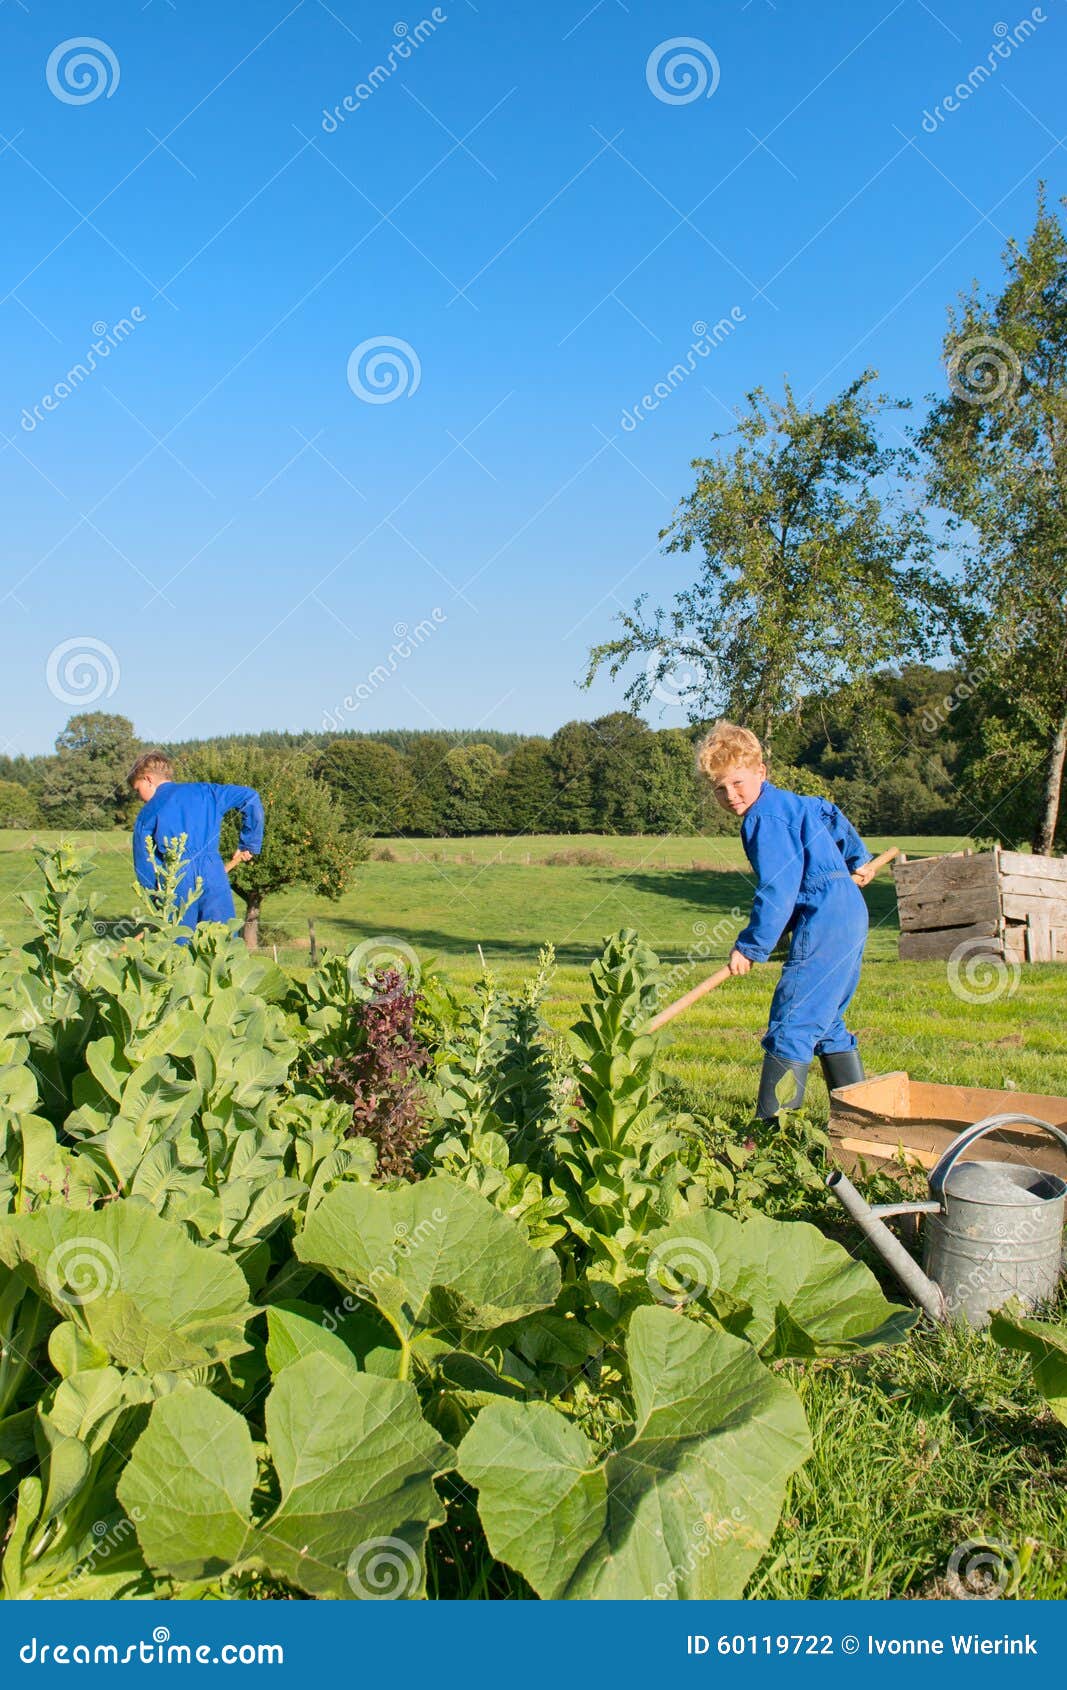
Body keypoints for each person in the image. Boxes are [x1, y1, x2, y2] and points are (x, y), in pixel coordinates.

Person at [696, 722, 876, 1121]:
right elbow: (830, 812)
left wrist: (751, 945)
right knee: (825, 1020)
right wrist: (856, 858)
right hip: (848, 910)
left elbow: (779, 889)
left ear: (761, 770)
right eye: (720, 789)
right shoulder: (792, 803)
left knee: (793, 1021)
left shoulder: (762, 819)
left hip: (825, 916)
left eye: (738, 783)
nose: (731, 796)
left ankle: (771, 1141)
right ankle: (861, 1125)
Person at [128, 750, 264, 930]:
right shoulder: (207, 791)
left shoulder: (148, 812)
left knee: (179, 941)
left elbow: (144, 862)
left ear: (148, 779)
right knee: (221, 938)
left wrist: (158, 898)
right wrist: (249, 843)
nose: (140, 797)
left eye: (138, 790)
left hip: (176, 877)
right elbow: (250, 797)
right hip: (213, 871)